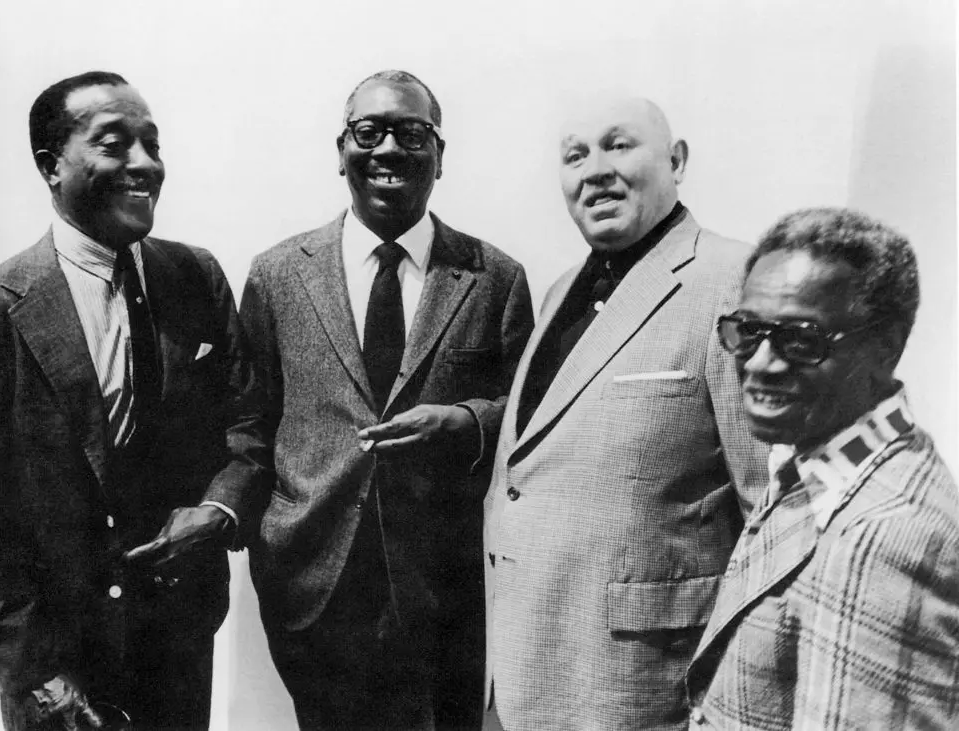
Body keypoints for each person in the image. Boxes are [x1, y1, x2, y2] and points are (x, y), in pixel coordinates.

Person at [208, 69, 534, 730]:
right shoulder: (277, 275)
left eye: (411, 133)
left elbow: (532, 417)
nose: (388, 148)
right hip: (313, 582)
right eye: (369, 131)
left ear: (440, 155)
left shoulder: (494, 277)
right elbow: (250, 421)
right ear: (341, 150)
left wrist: (465, 420)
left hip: (447, 586)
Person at [0, 71, 251, 730]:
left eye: (152, 144)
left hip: (177, 647)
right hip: (59, 670)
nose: (145, 164)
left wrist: (219, 508)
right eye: (114, 143)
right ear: (52, 166)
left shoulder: (195, 275)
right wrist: (32, 671)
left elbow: (247, 426)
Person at [483, 95, 768, 730]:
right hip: (530, 675)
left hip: (653, 689)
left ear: (678, 160)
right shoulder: (560, 292)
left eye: (619, 145)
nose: (595, 171)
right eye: (575, 156)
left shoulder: (736, 279)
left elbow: (773, 512)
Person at [685, 207, 959, 729]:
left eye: (801, 340)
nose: (761, 363)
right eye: (748, 332)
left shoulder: (887, 537)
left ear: (886, 348)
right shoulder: (817, 462)